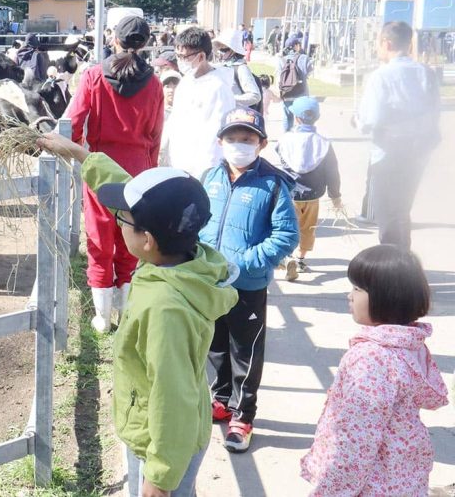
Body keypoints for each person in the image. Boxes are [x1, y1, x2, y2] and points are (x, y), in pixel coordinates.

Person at [34, 130, 237, 497]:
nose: (117, 221)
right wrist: (80, 154)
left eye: (123, 220)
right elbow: (132, 193)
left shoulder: (166, 309)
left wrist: (158, 479)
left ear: (147, 240)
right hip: (161, 434)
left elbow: (171, 397)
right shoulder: (182, 257)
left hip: (162, 444)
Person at [301, 245, 448, 495]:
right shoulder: (411, 344)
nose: (350, 296)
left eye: (358, 289)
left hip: (371, 484)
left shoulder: (371, 358)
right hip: (402, 477)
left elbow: (356, 442)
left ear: (386, 297)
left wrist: (330, 491)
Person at [200, 107, 298, 453]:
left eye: (247, 139)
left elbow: (287, 234)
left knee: (246, 351)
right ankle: (220, 399)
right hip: (211, 284)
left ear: (262, 143)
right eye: (232, 138)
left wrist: (247, 262)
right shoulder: (209, 178)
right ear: (220, 142)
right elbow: (197, 224)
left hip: (248, 285)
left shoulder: (271, 184)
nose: (239, 145)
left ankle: (243, 415)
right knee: (215, 345)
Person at [66, 15, 164, 331]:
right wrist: (150, 168)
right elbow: (155, 135)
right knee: (130, 238)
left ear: (114, 40)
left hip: (99, 166)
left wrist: (76, 153)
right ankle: (125, 309)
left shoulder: (94, 77)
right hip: (138, 167)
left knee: (99, 239)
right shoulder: (155, 83)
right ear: (146, 44)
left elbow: (75, 123)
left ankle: (101, 315)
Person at [356, 21, 441, 250]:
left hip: (388, 153)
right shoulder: (426, 73)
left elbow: (372, 118)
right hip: (418, 154)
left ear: (387, 43)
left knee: (387, 216)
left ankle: (394, 272)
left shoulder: (381, 76)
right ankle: (404, 262)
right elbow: (434, 113)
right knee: (402, 212)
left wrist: (358, 121)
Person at [274, 96, 342, 281]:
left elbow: (280, 162)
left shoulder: (285, 140)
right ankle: (300, 259)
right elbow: (332, 172)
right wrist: (335, 196)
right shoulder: (324, 143)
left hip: (290, 194)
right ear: (317, 117)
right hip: (313, 196)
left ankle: (286, 257)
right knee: (307, 229)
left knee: (288, 226)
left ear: (296, 118)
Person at [163, 27, 236, 178]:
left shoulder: (218, 88)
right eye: (177, 56)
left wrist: (207, 172)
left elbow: (216, 135)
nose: (180, 61)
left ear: (201, 56)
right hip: (179, 163)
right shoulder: (186, 80)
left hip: (202, 169)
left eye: (184, 57)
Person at [213, 31, 262, 111]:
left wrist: (230, 99)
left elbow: (255, 96)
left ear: (233, 51)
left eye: (224, 50)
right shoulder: (219, 66)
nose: (220, 53)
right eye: (219, 49)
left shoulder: (241, 68)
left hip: (235, 117)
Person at [277, 33, 313, 132]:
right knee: (302, 117)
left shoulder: (281, 60)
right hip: (302, 93)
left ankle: (287, 136)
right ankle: (302, 135)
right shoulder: (304, 58)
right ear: (296, 46)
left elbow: (279, 78)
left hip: (287, 92)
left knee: (288, 116)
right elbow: (310, 73)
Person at [157, 71, 181, 167]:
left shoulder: (187, 113)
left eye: (175, 86)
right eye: (167, 86)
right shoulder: (156, 113)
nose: (171, 90)